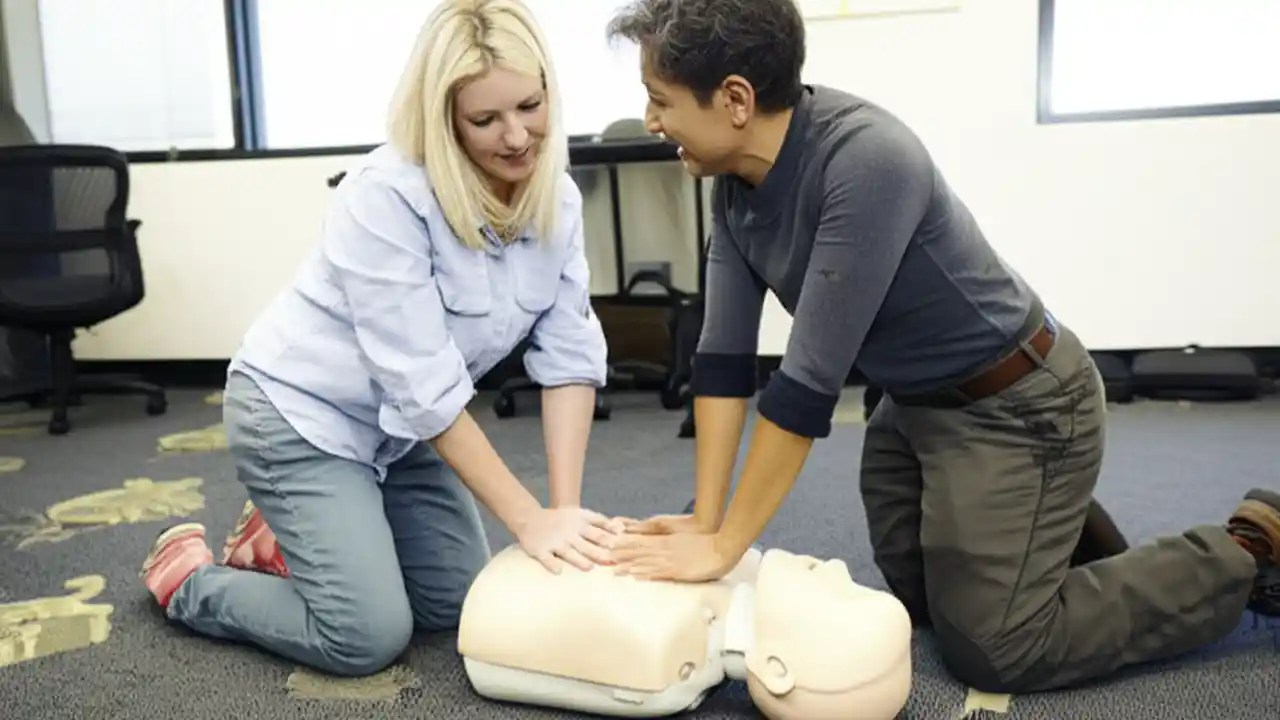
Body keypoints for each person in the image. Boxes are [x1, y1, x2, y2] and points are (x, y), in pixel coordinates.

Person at [603, 0, 1280, 695]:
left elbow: (806, 384)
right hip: (914, 406)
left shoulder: (865, 159)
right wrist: (705, 518)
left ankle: (1246, 551)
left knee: (997, 648)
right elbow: (722, 360)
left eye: (661, 102)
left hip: (1022, 404)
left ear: (736, 99)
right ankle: (1053, 533)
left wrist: (723, 548)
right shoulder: (734, 183)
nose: (653, 122)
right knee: (923, 607)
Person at [139, 0, 622, 677]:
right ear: (444, 120)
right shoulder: (386, 196)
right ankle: (190, 580)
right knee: (365, 637)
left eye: (530, 106)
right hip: (298, 418)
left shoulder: (556, 200)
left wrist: (562, 515)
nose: (517, 137)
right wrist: (526, 520)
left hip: (396, 432)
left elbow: (569, 354)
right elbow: (424, 385)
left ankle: (290, 540)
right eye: (485, 119)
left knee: (460, 605)